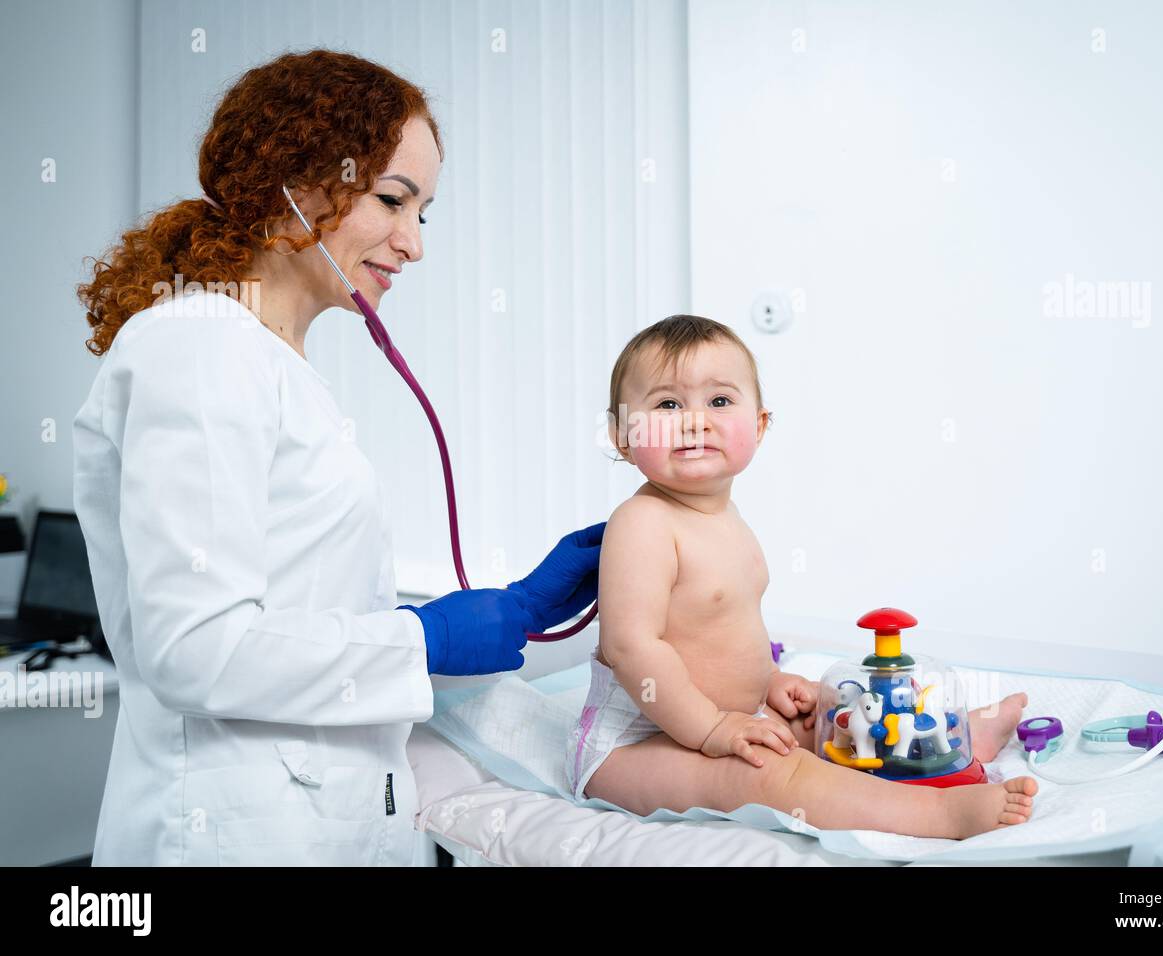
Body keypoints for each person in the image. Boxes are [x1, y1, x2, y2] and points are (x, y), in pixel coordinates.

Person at [72, 49, 601, 866]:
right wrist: (420, 639)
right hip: (230, 830)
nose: (413, 243)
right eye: (393, 200)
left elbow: (309, 615)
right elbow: (195, 651)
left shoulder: (265, 359)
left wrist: (520, 612)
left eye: (424, 212)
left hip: (328, 817)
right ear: (293, 181)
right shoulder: (200, 349)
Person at [564, 315, 1038, 838]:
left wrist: (769, 684)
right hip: (635, 743)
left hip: (726, 716)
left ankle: (945, 744)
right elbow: (633, 648)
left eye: (719, 401)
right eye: (667, 404)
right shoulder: (642, 523)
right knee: (769, 773)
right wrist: (714, 728)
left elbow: (717, 633)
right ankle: (939, 815)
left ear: (760, 426)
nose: (694, 420)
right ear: (621, 434)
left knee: (832, 716)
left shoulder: (728, 520)